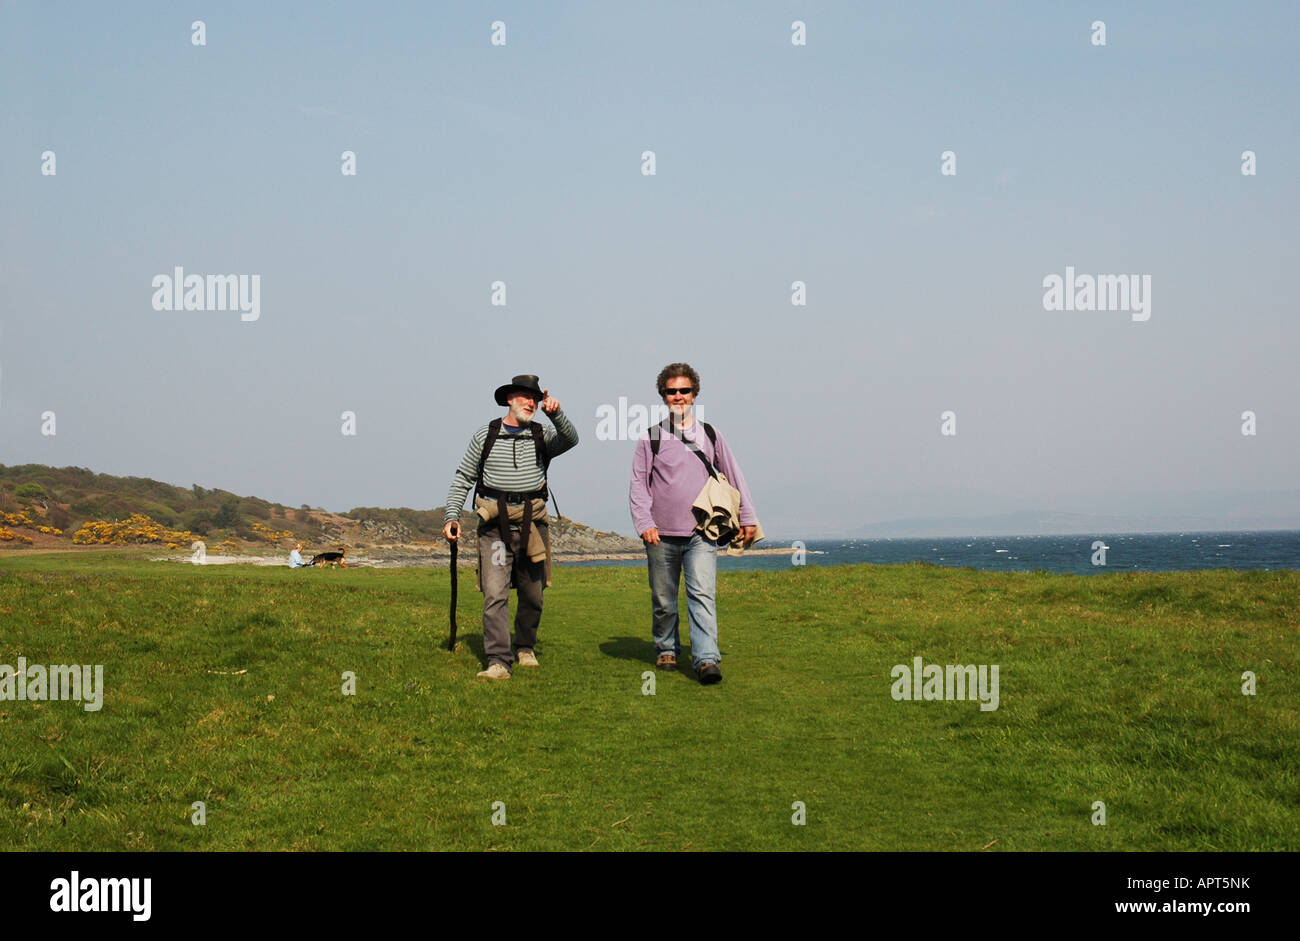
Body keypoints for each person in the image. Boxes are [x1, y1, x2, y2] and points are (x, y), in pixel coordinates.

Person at [442, 374, 579, 679]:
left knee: (533, 594)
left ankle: (525, 646)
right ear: (509, 399)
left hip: (533, 525)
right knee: (495, 593)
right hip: (493, 527)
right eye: (524, 397)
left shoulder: (542, 434)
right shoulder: (485, 435)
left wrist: (557, 414)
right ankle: (498, 661)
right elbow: (463, 477)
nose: (531, 403)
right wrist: (451, 517)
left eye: (535, 398)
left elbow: (571, 439)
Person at [629, 363, 757, 685]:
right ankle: (666, 649)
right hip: (660, 534)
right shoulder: (651, 438)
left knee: (702, 595)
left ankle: (706, 660)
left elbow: (734, 475)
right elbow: (638, 485)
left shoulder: (711, 434)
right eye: (671, 391)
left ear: (695, 394)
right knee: (663, 599)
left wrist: (748, 518)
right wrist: (644, 523)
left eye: (684, 391)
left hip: (703, 532)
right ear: (663, 396)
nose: (678, 396)